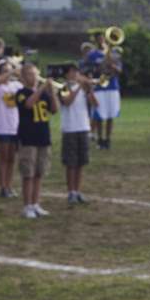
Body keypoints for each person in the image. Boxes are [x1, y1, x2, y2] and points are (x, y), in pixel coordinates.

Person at [15, 63, 58, 219]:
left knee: (39, 173)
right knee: (28, 174)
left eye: (35, 74)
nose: (34, 77)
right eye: (30, 74)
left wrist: (52, 93)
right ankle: (27, 206)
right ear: (23, 77)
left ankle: (35, 204)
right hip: (28, 138)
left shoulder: (44, 93)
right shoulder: (21, 93)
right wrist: (41, 88)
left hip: (43, 137)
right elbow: (28, 104)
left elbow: (54, 110)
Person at [58, 63, 95, 206]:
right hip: (70, 128)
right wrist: (79, 86)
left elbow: (95, 104)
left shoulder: (84, 89)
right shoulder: (62, 87)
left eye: (77, 72)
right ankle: (71, 192)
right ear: (66, 74)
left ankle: (78, 191)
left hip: (83, 127)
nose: (76, 74)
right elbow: (67, 102)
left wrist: (89, 89)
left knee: (81, 162)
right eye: (73, 72)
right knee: (71, 163)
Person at [0, 60, 21, 198]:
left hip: (15, 126)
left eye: (9, 70)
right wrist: (11, 71)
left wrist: (19, 70)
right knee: (3, 158)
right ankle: (2, 187)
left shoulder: (16, 85)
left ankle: (9, 186)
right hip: (1, 127)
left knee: (12, 159)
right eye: (4, 71)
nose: (8, 74)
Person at [87, 32, 122, 149]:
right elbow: (91, 71)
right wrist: (103, 63)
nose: (101, 41)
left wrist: (113, 66)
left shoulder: (115, 54)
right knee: (99, 115)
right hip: (99, 88)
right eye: (99, 39)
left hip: (112, 87)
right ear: (95, 41)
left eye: (103, 39)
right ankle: (100, 139)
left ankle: (107, 139)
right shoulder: (92, 55)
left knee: (110, 115)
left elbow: (119, 71)